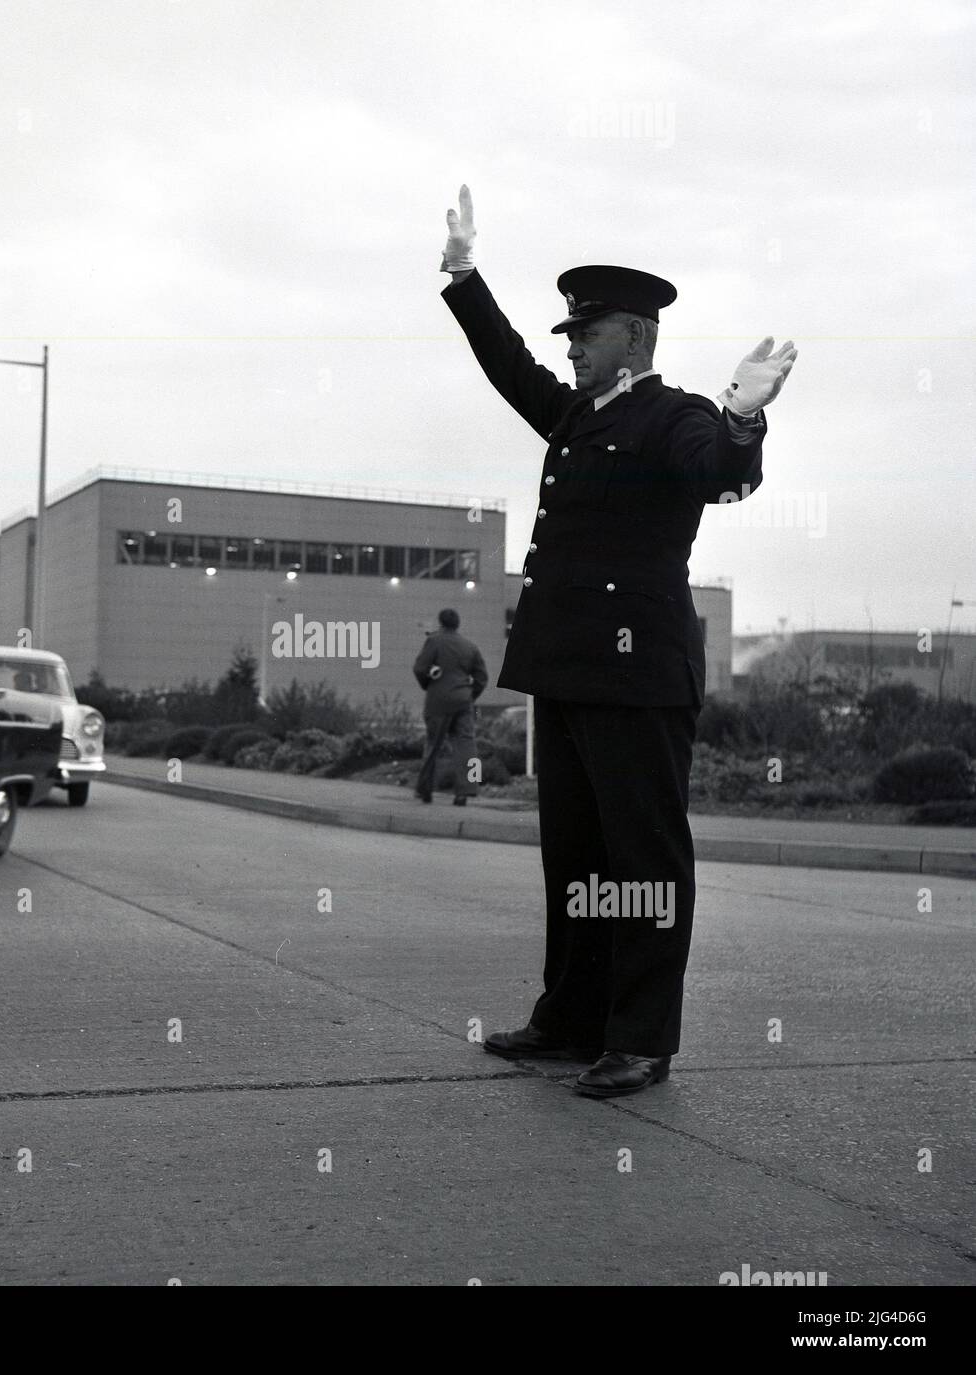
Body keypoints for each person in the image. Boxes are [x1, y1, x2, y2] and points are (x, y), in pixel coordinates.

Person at [440, 185, 796, 1097]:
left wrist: (744, 417)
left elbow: (722, 475)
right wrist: (465, 277)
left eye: (584, 335)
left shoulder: (674, 415)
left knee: (641, 864)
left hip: (638, 678)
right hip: (566, 669)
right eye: (568, 335)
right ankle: (572, 1017)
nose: (570, 347)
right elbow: (510, 366)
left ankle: (640, 1037)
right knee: (576, 858)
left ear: (633, 338)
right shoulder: (577, 416)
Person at [412, 608, 488, 805]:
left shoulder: (434, 641)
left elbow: (419, 668)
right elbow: (482, 677)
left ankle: (425, 790)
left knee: (433, 744)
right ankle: (468, 789)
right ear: (458, 625)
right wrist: (471, 696)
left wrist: (428, 683)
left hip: (438, 701)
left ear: (440, 623)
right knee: (467, 744)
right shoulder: (470, 646)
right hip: (464, 700)